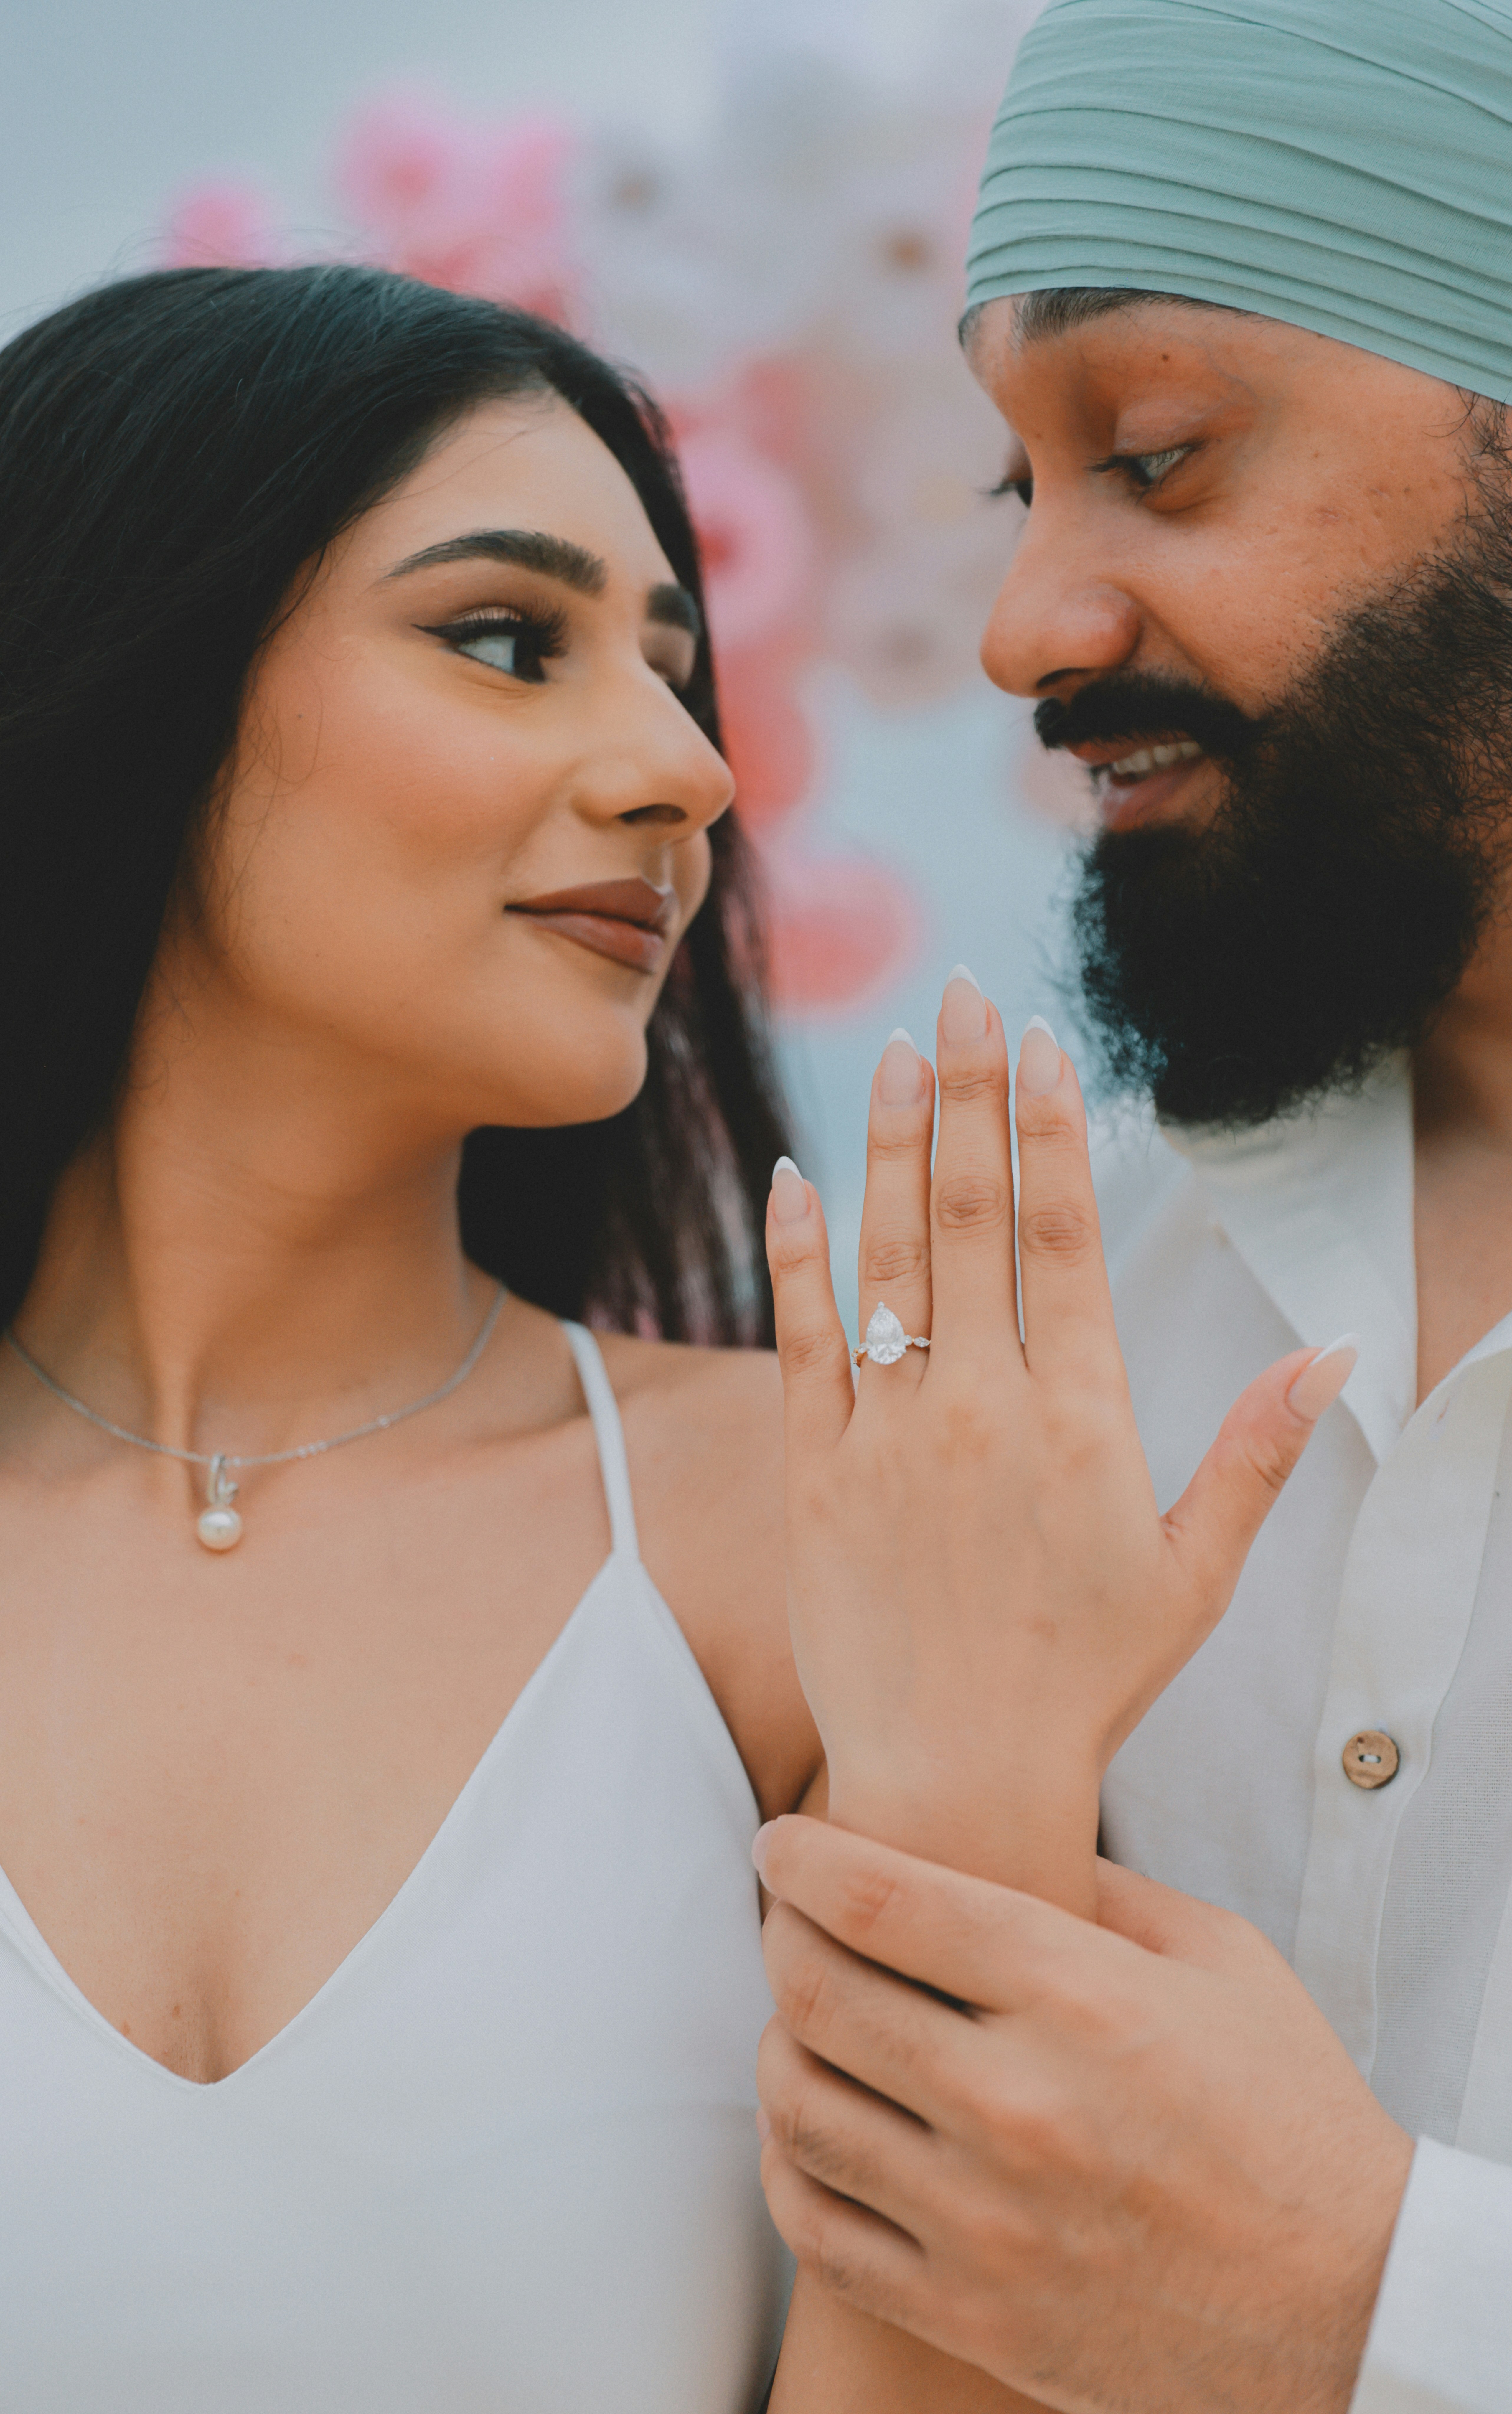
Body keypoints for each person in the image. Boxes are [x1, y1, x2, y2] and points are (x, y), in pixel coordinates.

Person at [751, 2, 1512, 2407]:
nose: (1029, 628)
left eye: (1155, 458)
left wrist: (1366, 2304)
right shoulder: (1039, 1320)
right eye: (1020, 490)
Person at [0, 260, 824, 2412]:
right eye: (501, 638)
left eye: (673, 667)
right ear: (138, 676)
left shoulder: (796, 1532)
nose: (683, 771)